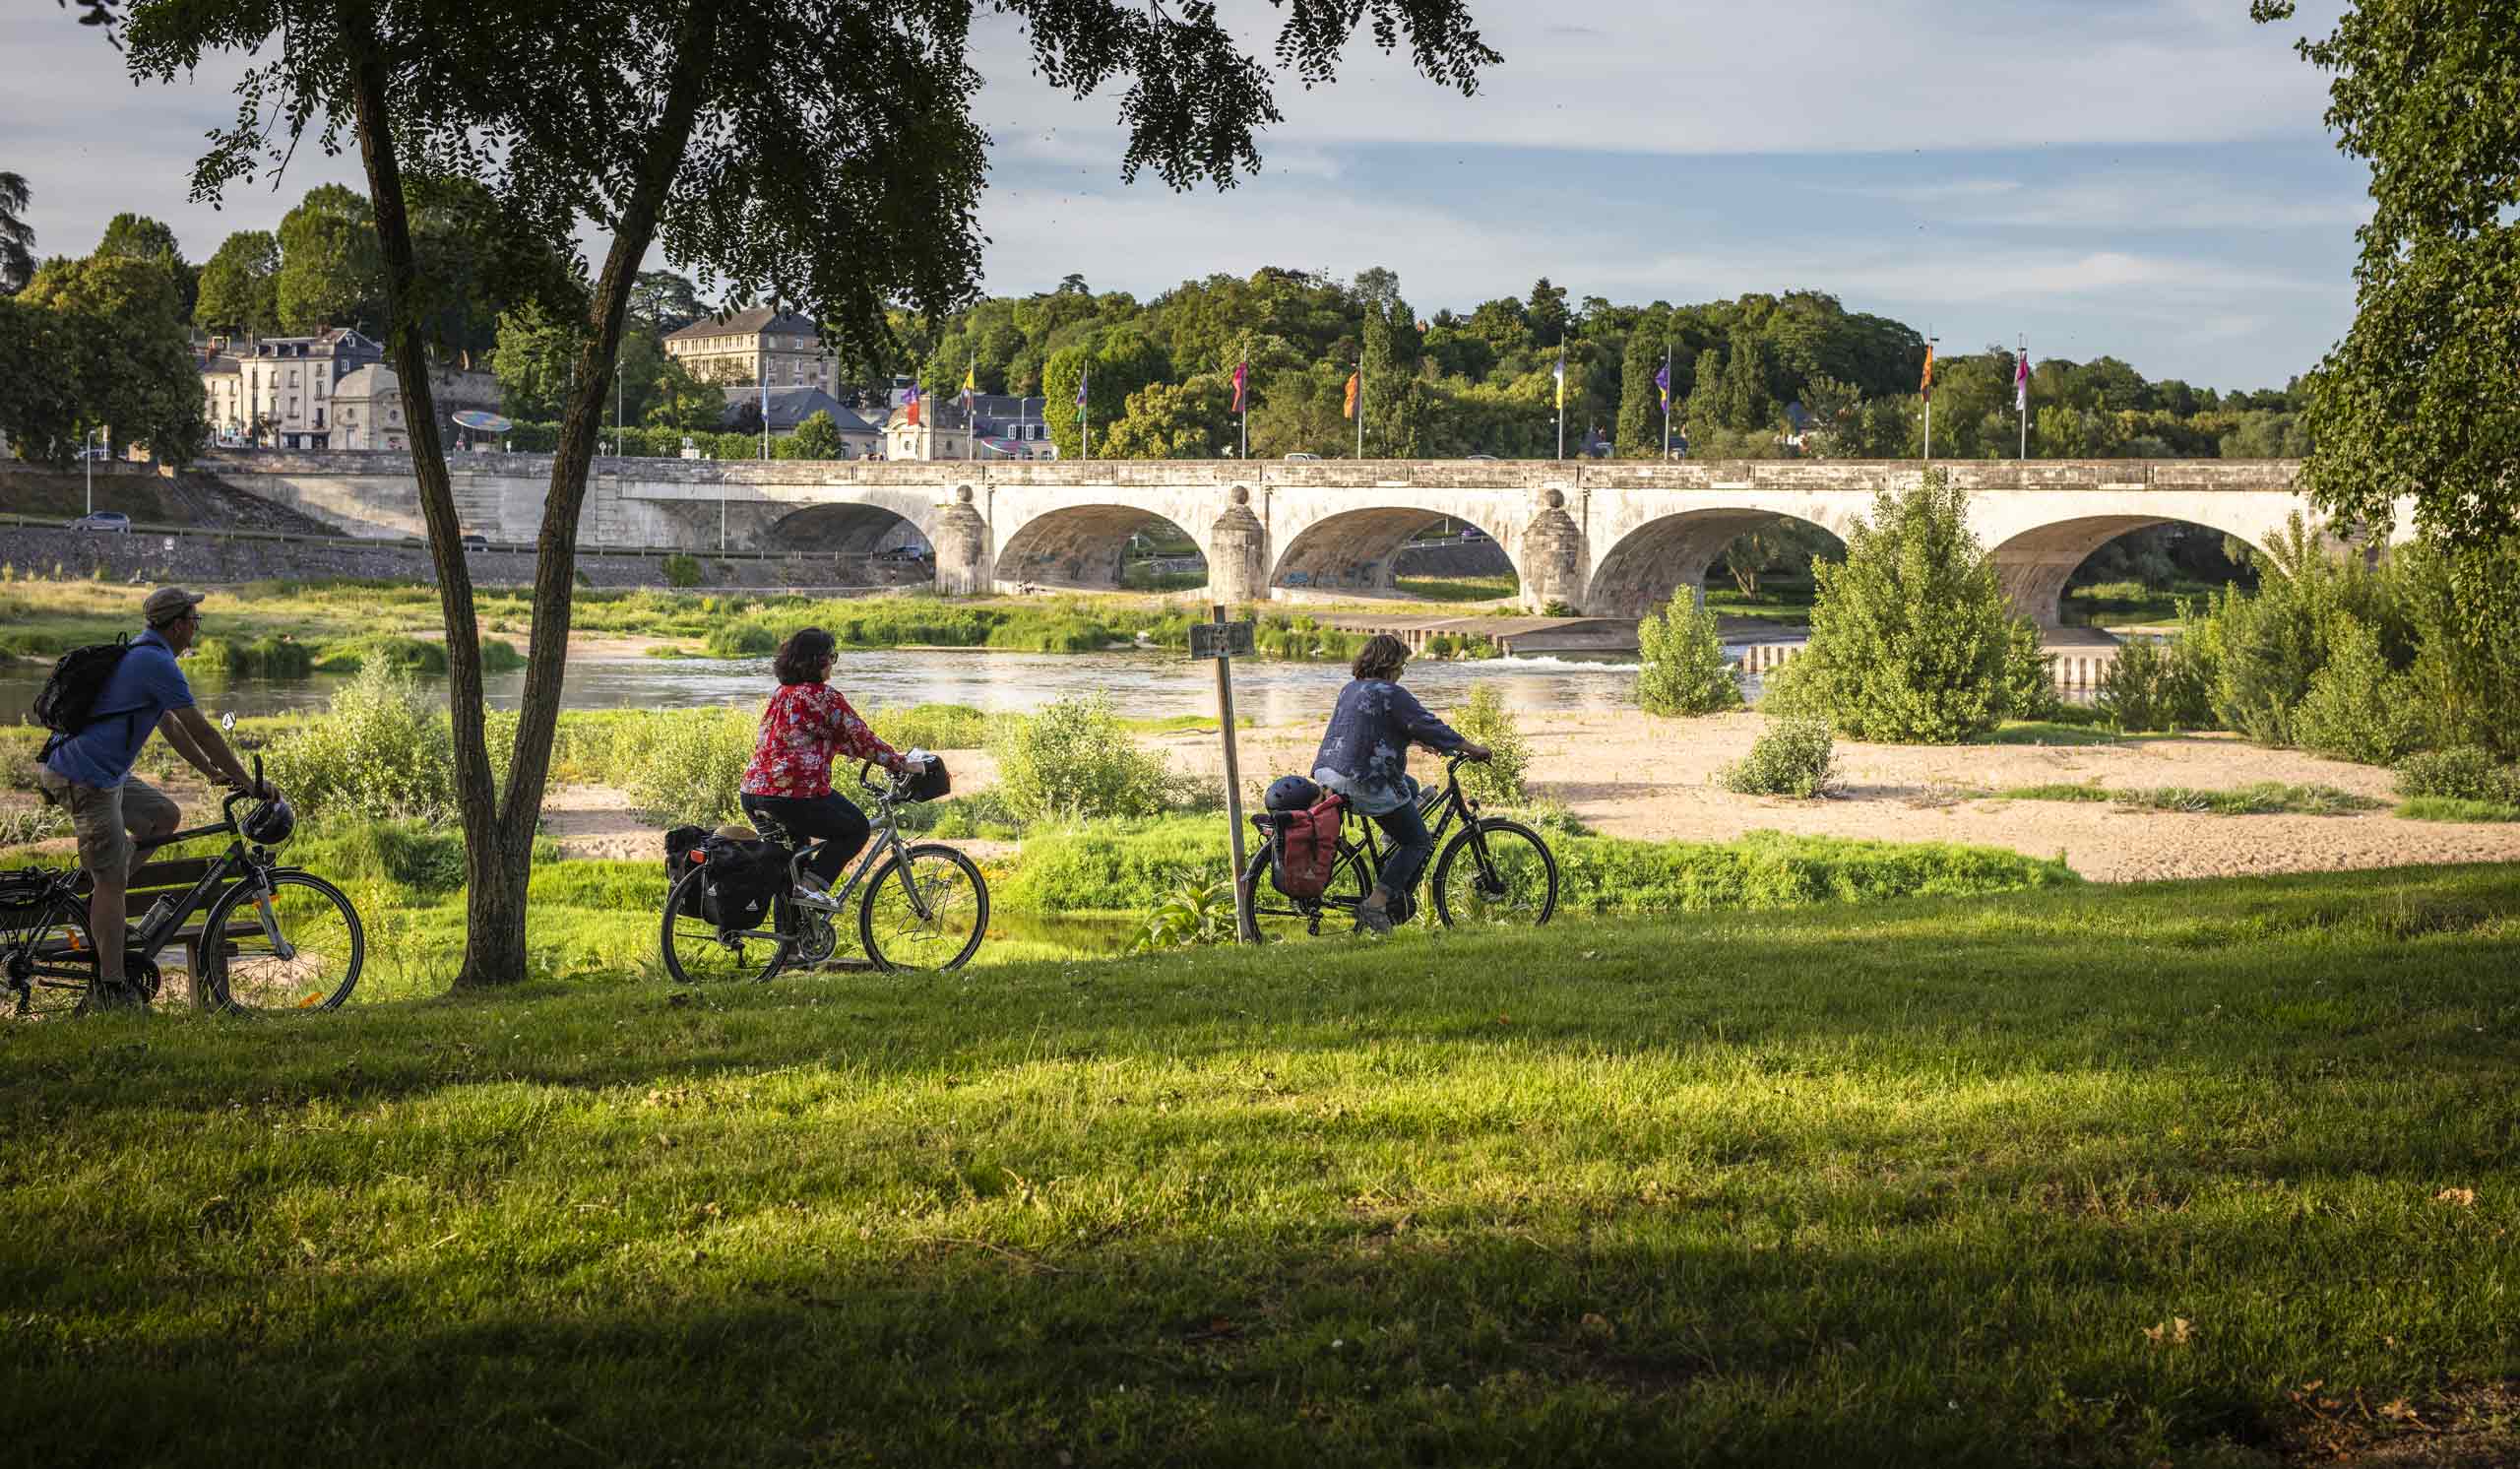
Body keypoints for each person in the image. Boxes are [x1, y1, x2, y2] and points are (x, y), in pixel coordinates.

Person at [35, 586, 278, 1000]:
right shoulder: (155, 661)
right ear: (179, 624)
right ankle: (113, 990)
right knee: (111, 882)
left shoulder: (146, 655)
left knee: (163, 817)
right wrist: (248, 782)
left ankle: (103, 905)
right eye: (194, 621)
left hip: (103, 774)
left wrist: (213, 772)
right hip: (83, 776)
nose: (197, 628)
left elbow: (171, 727)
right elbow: (200, 728)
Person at [1311, 633, 1490, 935]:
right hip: (1361, 780)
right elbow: (1426, 722)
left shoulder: (1351, 688)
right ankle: (1376, 903)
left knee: (1410, 784)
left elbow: (1373, 726)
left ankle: (1388, 840)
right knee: (1418, 840)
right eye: (1402, 665)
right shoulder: (1391, 693)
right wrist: (1471, 748)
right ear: (1390, 663)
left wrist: (1418, 740)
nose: (1401, 671)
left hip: (1328, 774)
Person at [737, 627, 913, 894]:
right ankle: (812, 888)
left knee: (791, 867)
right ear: (817, 660)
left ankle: (794, 932)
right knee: (856, 829)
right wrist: (899, 762)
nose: (833, 663)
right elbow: (859, 735)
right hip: (792, 795)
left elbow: (809, 738)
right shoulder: (822, 696)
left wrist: (852, 750)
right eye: (831, 656)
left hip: (752, 792)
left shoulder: (782, 693)